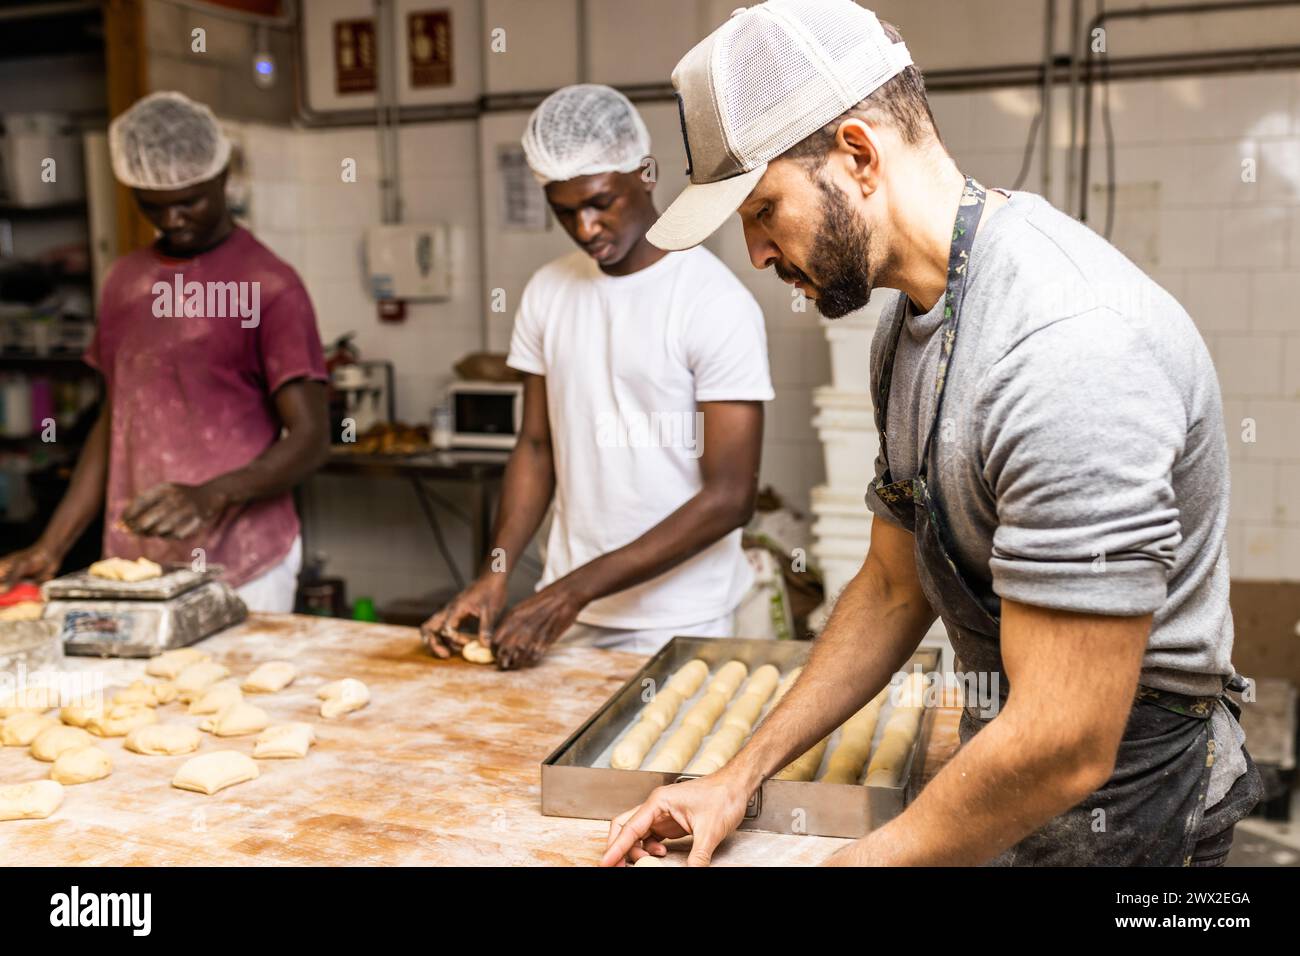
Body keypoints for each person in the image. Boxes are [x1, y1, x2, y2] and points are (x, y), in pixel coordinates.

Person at [603, 0, 1261, 867]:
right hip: (1008, 769)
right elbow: (889, 585)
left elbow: (1067, 739)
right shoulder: (912, 324)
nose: (758, 253)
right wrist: (738, 775)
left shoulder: (1066, 347)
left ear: (858, 155)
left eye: (764, 210)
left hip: (1135, 802)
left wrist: (857, 864)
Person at [422, 84, 773, 668]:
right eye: (564, 210)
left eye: (601, 202)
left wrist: (568, 591)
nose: (585, 228)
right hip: (573, 617)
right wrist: (496, 575)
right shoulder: (547, 293)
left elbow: (731, 496)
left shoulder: (711, 301)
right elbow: (536, 448)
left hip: (680, 619)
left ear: (645, 173)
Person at [0, 92, 329, 613]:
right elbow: (116, 421)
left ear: (223, 178)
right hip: (137, 565)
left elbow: (311, 437)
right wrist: (52, 545)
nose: (172, 220)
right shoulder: (125, 282)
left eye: (189, 201)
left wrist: (210, 494)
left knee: (238, 695)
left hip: (240, 564)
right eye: (152, 206)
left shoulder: (270, 286)